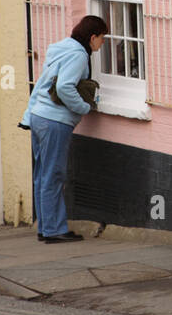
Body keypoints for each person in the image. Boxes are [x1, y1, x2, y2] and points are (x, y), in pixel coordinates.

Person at [19, 15, 108, 243]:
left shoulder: (61, 48)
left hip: (40, 116)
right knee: (53, 174)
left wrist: (28, 115)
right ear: (92, 37)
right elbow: (64, 86)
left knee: (42, 174)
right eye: (102, 38)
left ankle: (45, 226)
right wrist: (84, 107)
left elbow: (42, 84)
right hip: (54, 121)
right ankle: (54, 230)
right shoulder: (79, 55)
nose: (103, 43)